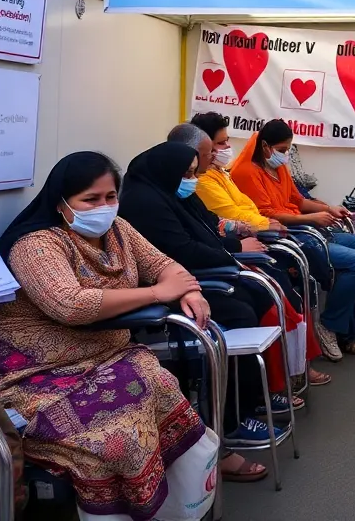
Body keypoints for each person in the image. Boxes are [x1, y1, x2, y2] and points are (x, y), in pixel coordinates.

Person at [0, 152, 267, 521]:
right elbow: (71, 305)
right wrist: (156, 293)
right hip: (33, 374)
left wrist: (189, 291)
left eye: (110, 196)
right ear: (61, 203)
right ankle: (121, 509)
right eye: (90, 199)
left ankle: (173, 505)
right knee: (118, 436)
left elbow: (163, 264)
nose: (103, 207)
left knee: (164, 388)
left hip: (103, 356)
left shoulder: (118, 231)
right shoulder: (36, 245)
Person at [118, 141, 315, 439]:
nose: (192, 179)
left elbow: (209, 227)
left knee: (259, 295)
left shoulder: (175, 194)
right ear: (167, 171)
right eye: (187, 173)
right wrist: (233, 253)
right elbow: (181, 251)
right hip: (173, 289)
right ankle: (233, 419)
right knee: (241, 311)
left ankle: (255, 396)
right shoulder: (145, 204)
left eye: (193, 172)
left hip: (197, 275)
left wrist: (234, 241)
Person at [231, 119, 355, 360]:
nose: (285, 155)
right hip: (289, 237)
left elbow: (298, 201)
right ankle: (329, 326)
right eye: (282, 150)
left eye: (288, 150)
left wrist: (329, 209)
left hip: (308, 229)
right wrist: (312, 219)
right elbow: (267, 216)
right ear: (265, 146)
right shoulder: (247, 173)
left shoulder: (279, 169)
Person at [167, 124, 332, 388]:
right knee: (271, 291)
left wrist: (246, 229)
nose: (222, 151)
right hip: (214, 268)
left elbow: (223, 219)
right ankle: (277, 380)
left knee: (287, 286)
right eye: (217, 145)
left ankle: (298, 363)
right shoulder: (197, 184)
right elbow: (193, 244)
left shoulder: (217, 176)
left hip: (239, 246)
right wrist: (242, 242)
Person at [187, 113, 285, 235]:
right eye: (221, 143)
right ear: (204, 147)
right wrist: (265, 223)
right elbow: (229, 214)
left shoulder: (220, 171)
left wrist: (265, 221)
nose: (228, 146)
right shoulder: (202, 180)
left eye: (227, 141)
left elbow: (245, 205)